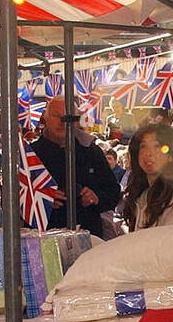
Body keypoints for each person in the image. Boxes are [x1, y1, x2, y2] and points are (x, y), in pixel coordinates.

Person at [28, 97, 122, 233]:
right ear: (45, 118)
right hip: (45, 236)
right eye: (56, 115)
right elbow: (14, 198)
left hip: (87, 234)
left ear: (76, 121)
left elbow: (113, 192)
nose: (62, 121)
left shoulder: (91, 151)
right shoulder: (31, 154)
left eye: (67, 117)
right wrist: (43, 199)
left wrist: (95, 198)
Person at [121, 123, 173, 231]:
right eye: (143, 146)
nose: (149, 153)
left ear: (171, 155)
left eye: (157, 146)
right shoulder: (144, 193)